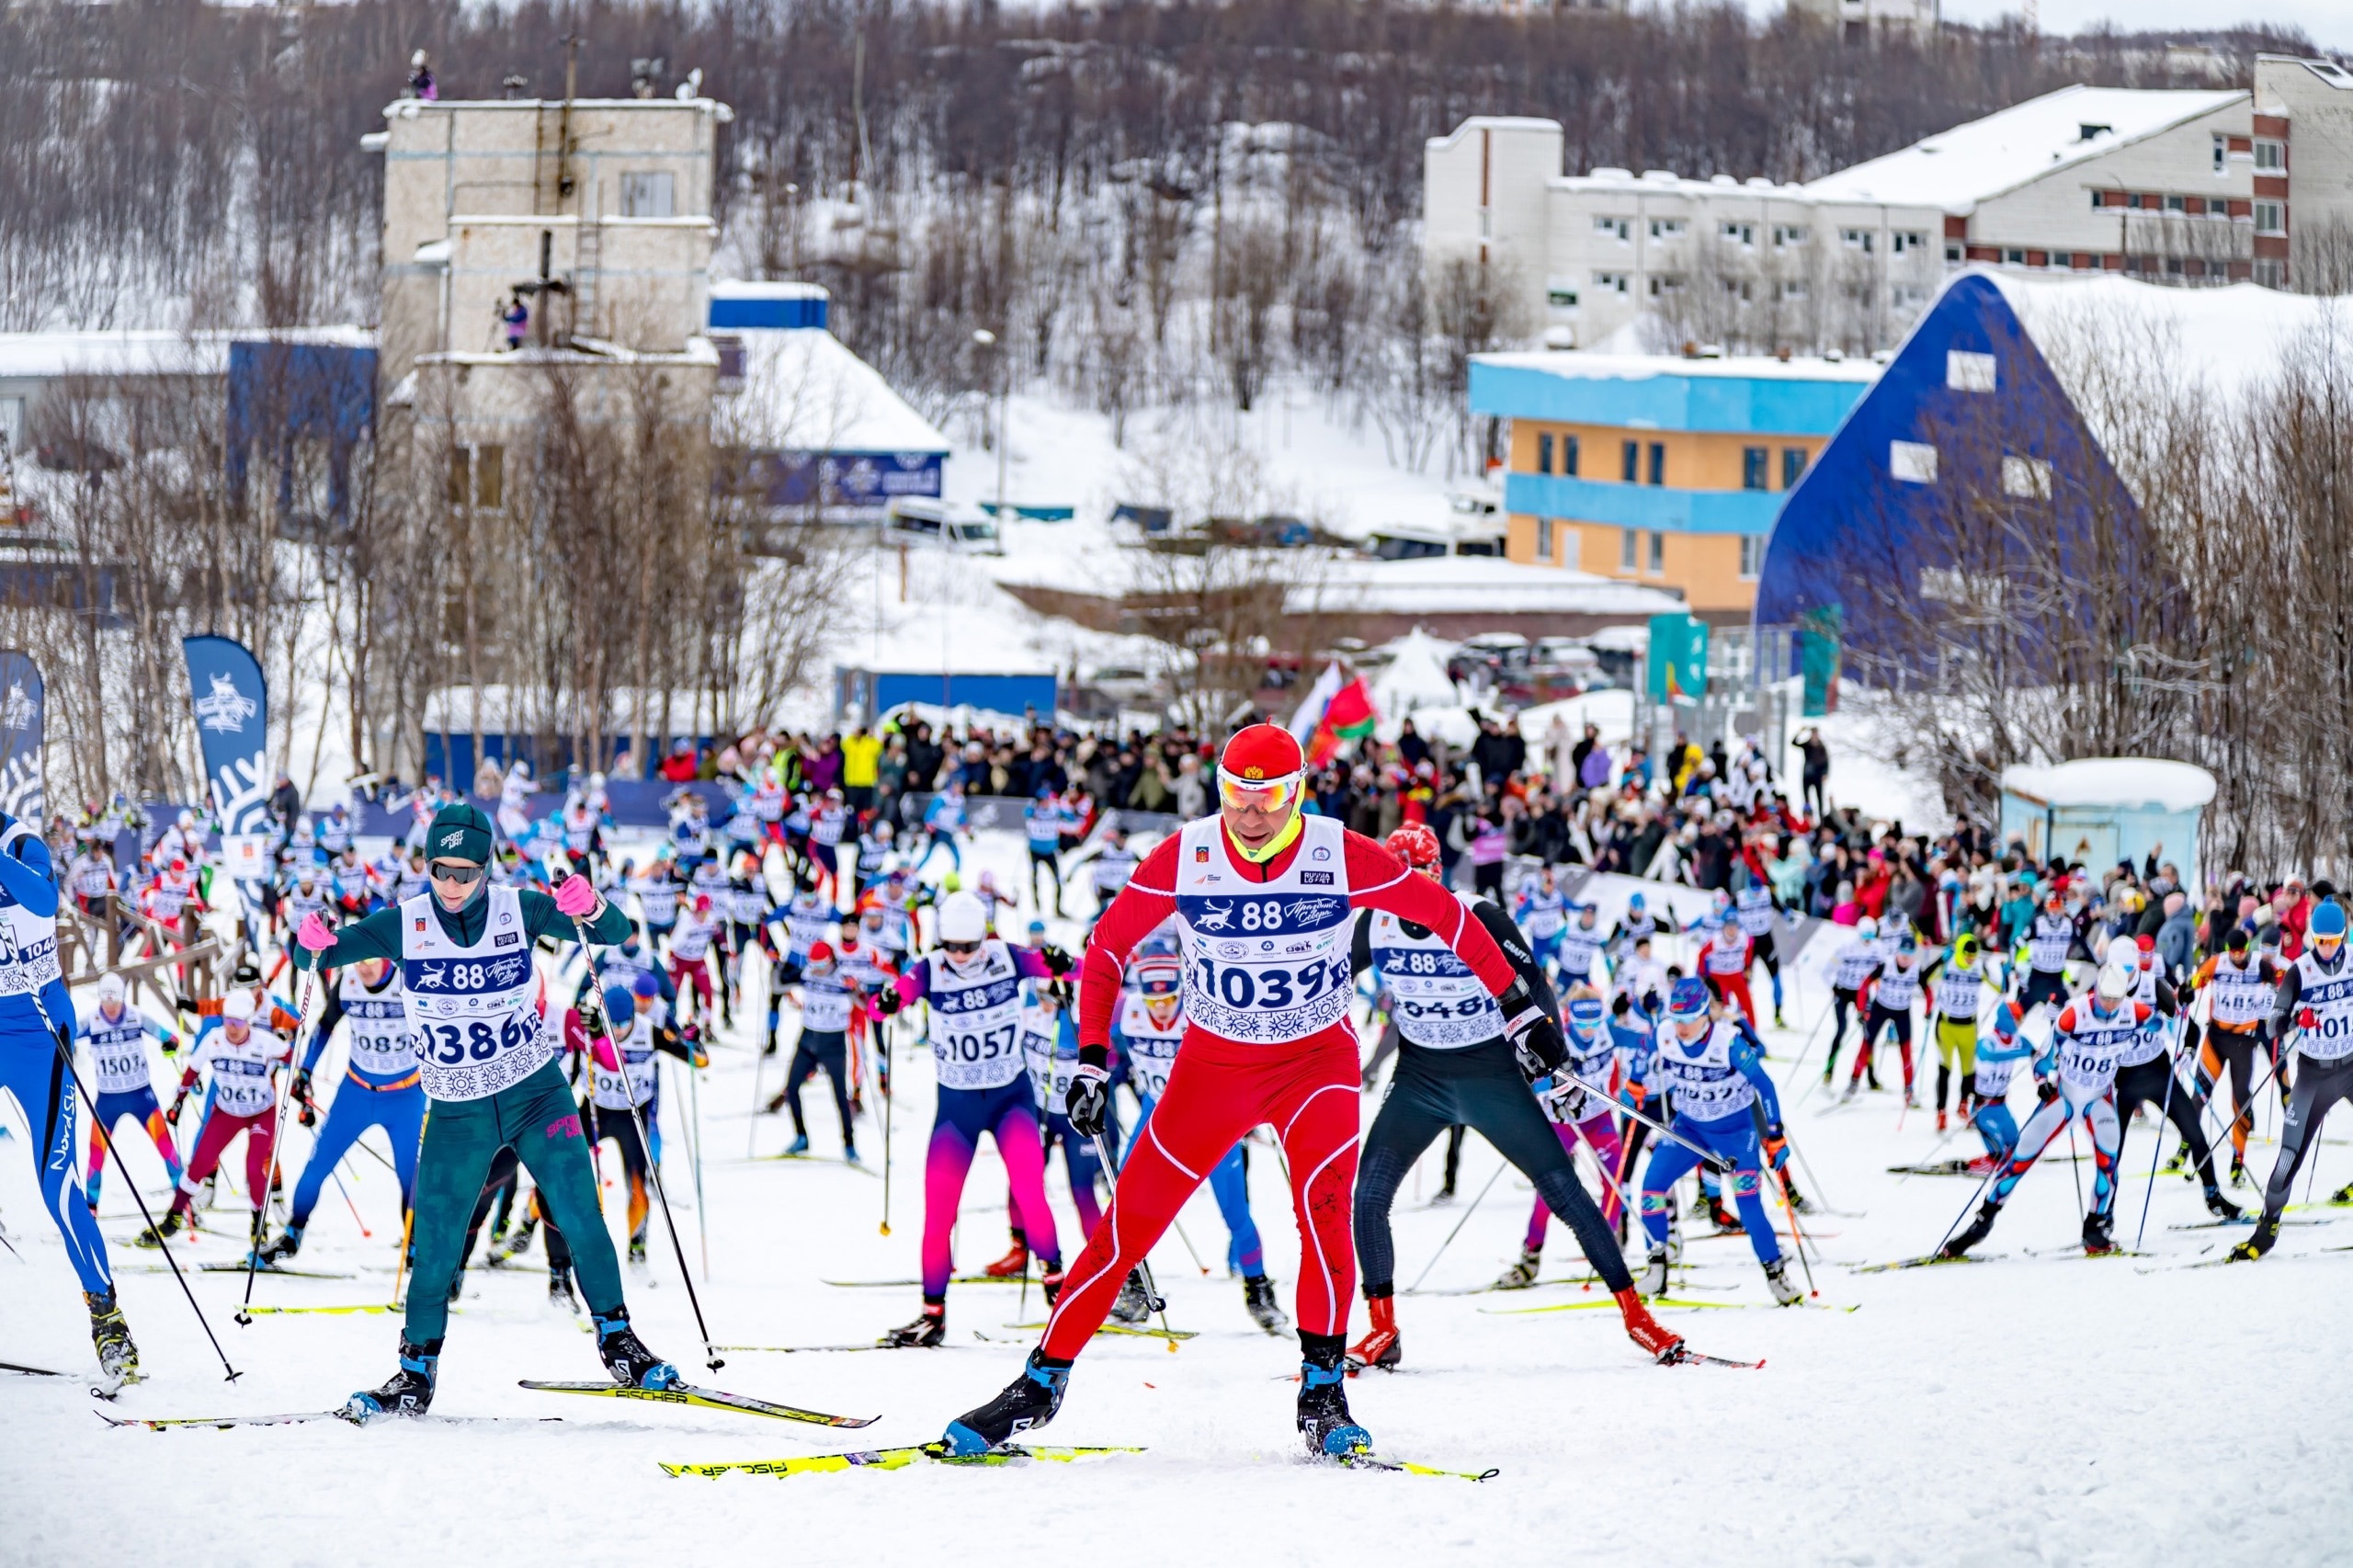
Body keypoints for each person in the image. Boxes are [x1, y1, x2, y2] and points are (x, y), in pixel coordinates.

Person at [941, 723, 1548, 1461]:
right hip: (1214, 1069)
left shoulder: (1339, 851)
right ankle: (1040, 1384)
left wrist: (1519, 1010)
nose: (1249, 814)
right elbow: (1105, 948)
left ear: (1296, 793)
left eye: (1265, 798)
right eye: (1236, 794)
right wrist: (1094, 1059)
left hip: (1314, 1066)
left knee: (1325, 1217)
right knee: (1128, 1226)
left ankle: (1323, 1393)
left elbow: (1447, 917)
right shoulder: (1188, 854)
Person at [289, 801, 676, 1419]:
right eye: (441, 870)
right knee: (436, 1243)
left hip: (535, 1092)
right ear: (427, 864)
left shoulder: (518, 909)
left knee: (580, 1213)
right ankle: (415, 1371)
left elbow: (615, 934)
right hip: (457, 1110)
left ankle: (619, 1340)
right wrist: (306, 937)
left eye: (466, 873)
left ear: (486, 869)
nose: (452, 886)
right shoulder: (405, 922)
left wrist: (590, 903)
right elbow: (322, 955)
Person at [1347, 825, 1672, 1371]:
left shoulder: (1478, 915)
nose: (1405, 894)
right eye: (1392, 882)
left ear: (1436, 875)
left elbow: (1535, 984)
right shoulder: (1373, 923)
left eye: (1416, 879)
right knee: (1368, 1196)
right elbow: (1326, 976)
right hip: (1420, 1079)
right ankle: (1382, 1330)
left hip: (1490, 1077)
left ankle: (1638, 1317)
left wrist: (1558, 1063)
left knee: (1564, 1191)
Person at [871, 891, 1074, 1346]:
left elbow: (1075, 968)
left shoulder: (1007, 956)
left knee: (1030, 1191)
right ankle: (932, 1314)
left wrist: (1062, 962)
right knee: (939, 1212)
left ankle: (1058, 1289)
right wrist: (885, 1002)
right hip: (957, 1110)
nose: (960, 956)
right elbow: (884, 1003)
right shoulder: (929, 968)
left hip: (1011, 1100)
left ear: (984, 936)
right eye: (951, 946)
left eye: (968, 946)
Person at [1113, 946, 1288, 1335]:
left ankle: (1259, 1292)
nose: (1161, 1007)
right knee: (1124, 1199)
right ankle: (1135, 1288)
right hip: (1155, 1117)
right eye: (1154, 998)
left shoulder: (1201, 1010)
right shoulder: (1127, 1010)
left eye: (1170, 997)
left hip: (1210, 1122)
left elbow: (1245, 1051)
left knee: (1235, 1211)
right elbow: (1093, 1033)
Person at [1944, 957, 2149, 1259]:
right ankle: (1982, 1223)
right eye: (2104, 998)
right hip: (2064, 1097)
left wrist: (2180, 1001)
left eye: (2115, 1000)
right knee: (2020, 1157)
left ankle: (2095, 1229)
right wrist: (2043, 1080)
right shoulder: (2074, 1015)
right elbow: (2044, 1057)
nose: (2109, 1005)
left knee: (2109, 1164)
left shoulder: (2134, 1011)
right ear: (2096, 991)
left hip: (2098, 1099)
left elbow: (2165, 1019)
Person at [1634, 978, 1802, 1305]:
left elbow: (1765, 1087)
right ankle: (1656, 1269)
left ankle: (1776, 1274)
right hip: (1688, 1129)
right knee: (1651, 1190)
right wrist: (1634, 1081)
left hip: (1736, 1133)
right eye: (1677, 1019)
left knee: (1747, 1202)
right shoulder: (1665, 1033)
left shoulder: (1728, 1042)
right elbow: (1644, 1051)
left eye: (1688, 1020)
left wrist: (1776, 1135)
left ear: (1704, 1015)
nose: (1681, 1027)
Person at [258, 952, 426, 1263]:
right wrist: (305, 1070)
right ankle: (293, 1235)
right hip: (356, 1093)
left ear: (386, 959)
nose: (363, 968)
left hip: (405, 1096)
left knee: (410, 1175)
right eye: (359, 962)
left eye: (370, 962)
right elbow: (324, 1028)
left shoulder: (409, 981)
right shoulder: (348, 983)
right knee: (316, 1167)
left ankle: (415, 1246)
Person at [2233, 898, 2353, 1261]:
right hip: (2313, 1077)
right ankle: (2266, 1230)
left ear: (2344, 936)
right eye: (2320, 940)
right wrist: (2297, 1018)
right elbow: (2272, 1024)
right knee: (2288, 1155)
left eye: (2334, 941)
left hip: (2350, 1068)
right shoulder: (2301, 971)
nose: (2327, 948)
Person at [564, 981, 704, 1268]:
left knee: (638, 1185)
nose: (617, 1030)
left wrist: (694, 1041)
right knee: (559, 1165)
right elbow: (567, 1058)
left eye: (623, 1023)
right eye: (611, 1023)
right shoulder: (593, 1029)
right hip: (595, 1111)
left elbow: (698, 1061)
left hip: (633, 1117)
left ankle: (637, 1246)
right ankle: (528, 1224)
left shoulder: (649, 1032)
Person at [142, 991, 291, 1253]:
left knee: (254, 1167)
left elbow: (296, 1058)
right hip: (227, 1112)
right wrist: (178, 1102)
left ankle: (259, 1225)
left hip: (261, 1113)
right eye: (227, 1021)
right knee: (199, 1164)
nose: (232, 1028)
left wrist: (303, 1084)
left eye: (238, 1022)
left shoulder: (265, 1042)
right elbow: (192, 1070)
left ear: (248, 1021)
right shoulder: (214, 1040)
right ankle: (173, 1218)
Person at [76, 971, 185, 1214]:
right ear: (100, 999)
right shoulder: (91, 1021)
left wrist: (171, 1044)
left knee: (166, 1147)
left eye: (115, 1002)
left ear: (123, 998)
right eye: (106, 1002)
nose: (111, 1008)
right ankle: (90, 1207)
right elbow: (63, 1035)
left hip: (141, 1098)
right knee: (96, 1155)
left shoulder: (137, 1017)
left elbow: (171, 1037)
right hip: (108, 1101)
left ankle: (183, 1202)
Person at [2183, 927, 2279, 1188]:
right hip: (2215, 1038)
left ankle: (2238, 1161)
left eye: (2241, 952)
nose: (2236, 957)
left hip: (2243, 1041)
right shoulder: (2218, 962)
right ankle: (2186, 1145)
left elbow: (2287, 981)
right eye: (2232, 953)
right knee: (2198, 1097)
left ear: (2247, 949)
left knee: (2240, 1099)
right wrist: (2192, 985)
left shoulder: (2261, 965)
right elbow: (2195, 981)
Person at [765, 941, 860, 1158]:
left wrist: (856, 989)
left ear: (830, 961)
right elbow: (778, 987)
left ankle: (849, 1144)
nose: (816, 969)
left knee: (839, 1095)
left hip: (833, 1043)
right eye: (813, 964)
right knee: (792, 1087)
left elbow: (864, 1004)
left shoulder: (843, 976)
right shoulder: (807, 972)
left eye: (821, 965)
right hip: (808, 1040)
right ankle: (801, 1136)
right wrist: (776, 967)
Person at [1847, 933, 1925, 1105]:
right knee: (1866, 1045)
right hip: (1880, 1008)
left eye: (1909, 955)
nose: (1905, 958)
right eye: (1903, 953)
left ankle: (1909, 1091)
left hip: (1902, 1011)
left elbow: (1928, 990)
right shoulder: (1886, 965)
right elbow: (1865, 984)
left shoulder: (1916, 969)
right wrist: (1861, 1010)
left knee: (1905, 1051)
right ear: (1897, 952)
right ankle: (1853, 1083)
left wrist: (1928, 1008)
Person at [1821, 916, 1881, 1085]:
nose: (1868, 940)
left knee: (1869, 1032)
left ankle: (1870, 1075)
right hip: (1844, 991)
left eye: (1871, 936)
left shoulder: (1878, 948)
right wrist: (1834, 987)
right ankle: (1829, 1070)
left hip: (1862, 993)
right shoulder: (1846, 948)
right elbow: (1826, 971)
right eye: (1865, 936)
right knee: (1841, 1029)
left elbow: (1885, 969)